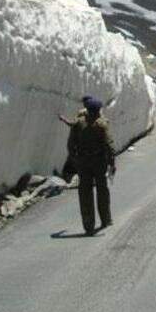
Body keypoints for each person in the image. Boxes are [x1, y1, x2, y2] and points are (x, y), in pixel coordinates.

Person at [58, 96, 116, 235]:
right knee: (102, 190)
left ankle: (88, 225)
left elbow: (71, 145)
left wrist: (75, 161)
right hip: (99, 162)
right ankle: (106, 219)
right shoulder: (102, 124)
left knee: (85, 193)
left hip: (83, 163)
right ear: (98, 110)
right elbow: (109, 146)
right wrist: (111, 163)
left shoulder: (78, 124)